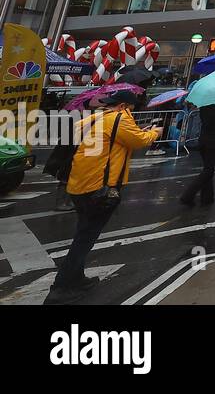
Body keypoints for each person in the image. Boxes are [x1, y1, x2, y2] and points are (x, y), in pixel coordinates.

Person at [49, 87, 162, 303]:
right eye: (129, 108)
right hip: (100, 188)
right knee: (85, 238)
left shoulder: (92, 119)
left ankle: (76, 277)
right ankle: (61, 287)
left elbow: (114, 140)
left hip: (78, 185)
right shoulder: (119, 119)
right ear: (123, 106)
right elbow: (139, 141)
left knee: (84, 232)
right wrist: (154, 133)